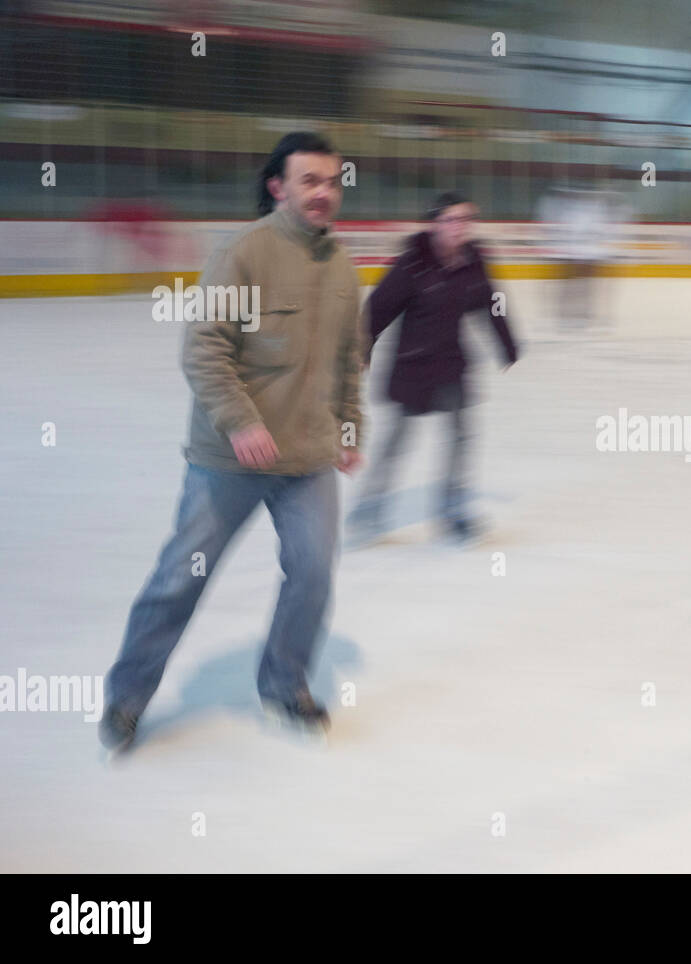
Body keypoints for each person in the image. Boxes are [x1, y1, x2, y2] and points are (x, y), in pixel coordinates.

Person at [101, 131, 365, 752]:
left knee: (313, 574)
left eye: (333, 182)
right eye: (311, 180)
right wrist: (241, 421)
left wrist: (349, 430)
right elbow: (204, 348)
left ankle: (283, 682)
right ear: (279, 186)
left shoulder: (344, 266)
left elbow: (350, 361)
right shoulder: (244, 254)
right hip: (229, 462)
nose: (325, 192)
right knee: (180, 579)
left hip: (308, 460)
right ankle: (126, 698)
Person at [347, 191, 519, 543]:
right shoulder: (413, 263)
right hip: (413, 369)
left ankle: (453, 514)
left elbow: (491, 302)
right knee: (395, 445)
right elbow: (379, 307)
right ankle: (366, 515)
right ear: (435, 224)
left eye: (466, 220)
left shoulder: (473, 260)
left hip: (452, 366)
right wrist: (362, 348)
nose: (460, 227)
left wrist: (507, 344)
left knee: (460, 440)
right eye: (451, 220)